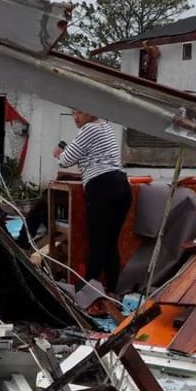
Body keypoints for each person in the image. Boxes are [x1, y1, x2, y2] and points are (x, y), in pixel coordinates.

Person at [53, 109, 132, 291]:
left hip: (102, 187)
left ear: (91, 113)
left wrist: (58, 153)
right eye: (73, 113)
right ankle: (112, 291)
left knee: (97, 244)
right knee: (110, 244)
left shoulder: (88, 129)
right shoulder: (106, 127)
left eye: (79, 112)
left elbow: (66, 160)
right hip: (122, 185)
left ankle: (87, 293)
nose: (76, 117)